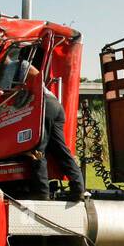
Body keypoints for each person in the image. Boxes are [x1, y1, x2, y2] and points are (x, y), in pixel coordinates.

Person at [27, 63, 85, 201]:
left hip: (44, 104)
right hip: (54, 105)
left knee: (37, 149)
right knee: (60, 150)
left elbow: (35, 77)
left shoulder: (18, 65)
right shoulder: (21, 65)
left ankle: (41, 193)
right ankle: (78, 189)